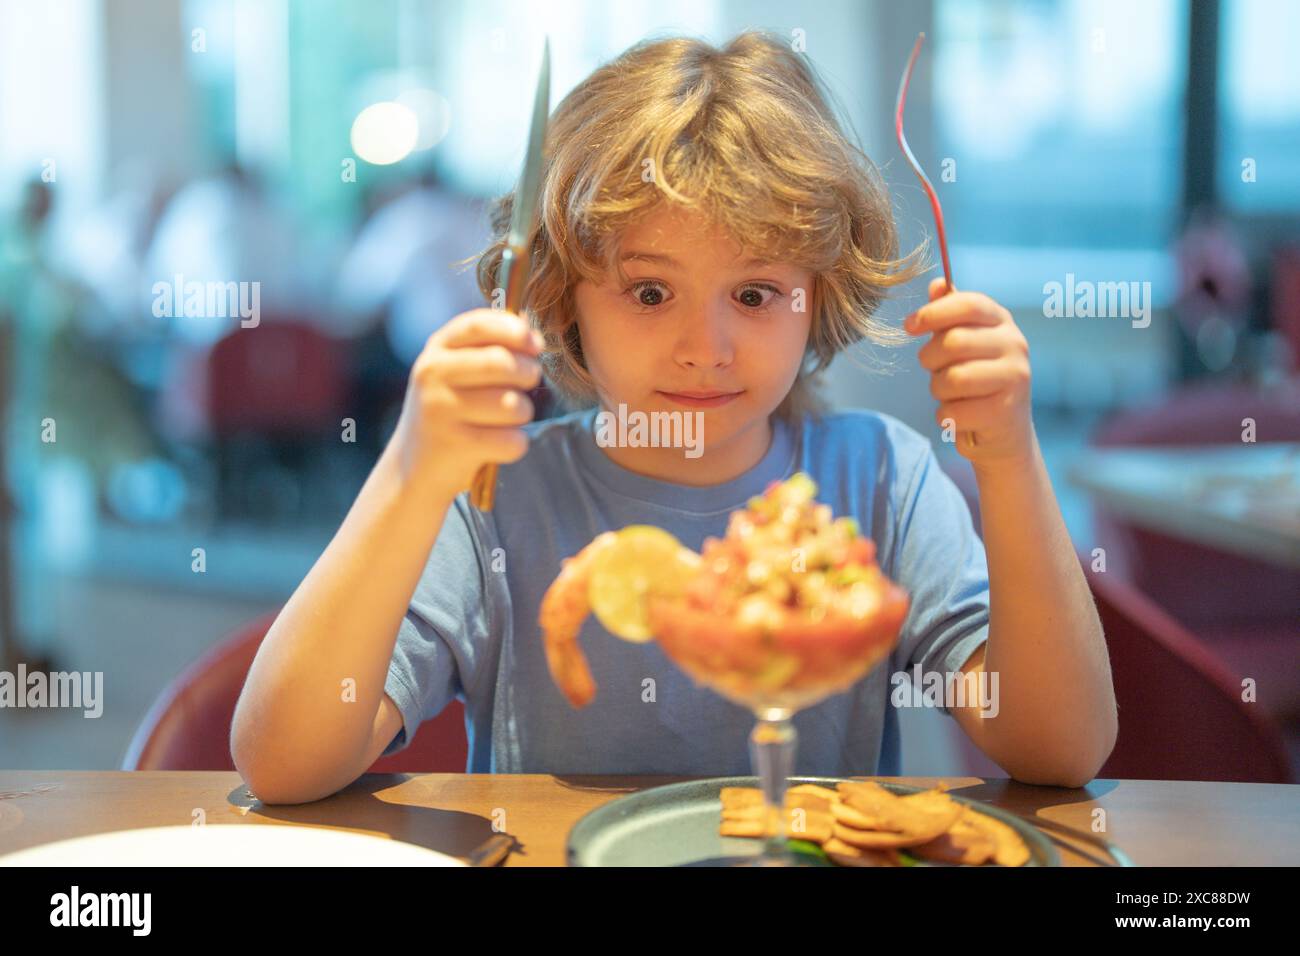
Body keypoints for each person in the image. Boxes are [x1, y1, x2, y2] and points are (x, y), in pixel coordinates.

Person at [232, 31, 1117, 804]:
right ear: (563, 299)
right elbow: (282, 761)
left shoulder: (883, 479)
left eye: (756, 293)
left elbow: (1062, 749)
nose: (706, 348)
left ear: (819, 297)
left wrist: (1010, 458)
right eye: (650, 292)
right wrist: (410, 474)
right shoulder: (493, 496)